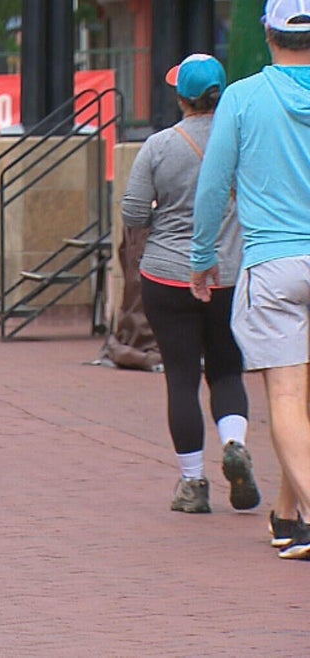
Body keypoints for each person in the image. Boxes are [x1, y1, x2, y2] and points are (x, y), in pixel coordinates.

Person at [190, 0, 310, 559]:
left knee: (286, 401)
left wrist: (201, 255)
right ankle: (288, 519)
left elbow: (213, 186)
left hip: (274, 262)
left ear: (268, 33)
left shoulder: (242, 98)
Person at [122, 53, 256, 515]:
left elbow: (133, 214)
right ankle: (235, 443)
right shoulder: (244, 141)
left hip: (168, 275)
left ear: (180, 97)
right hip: (231, 274)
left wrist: (168, 216)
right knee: (226, 369)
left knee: (181, 377)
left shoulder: (159, 146)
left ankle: (193, 482)